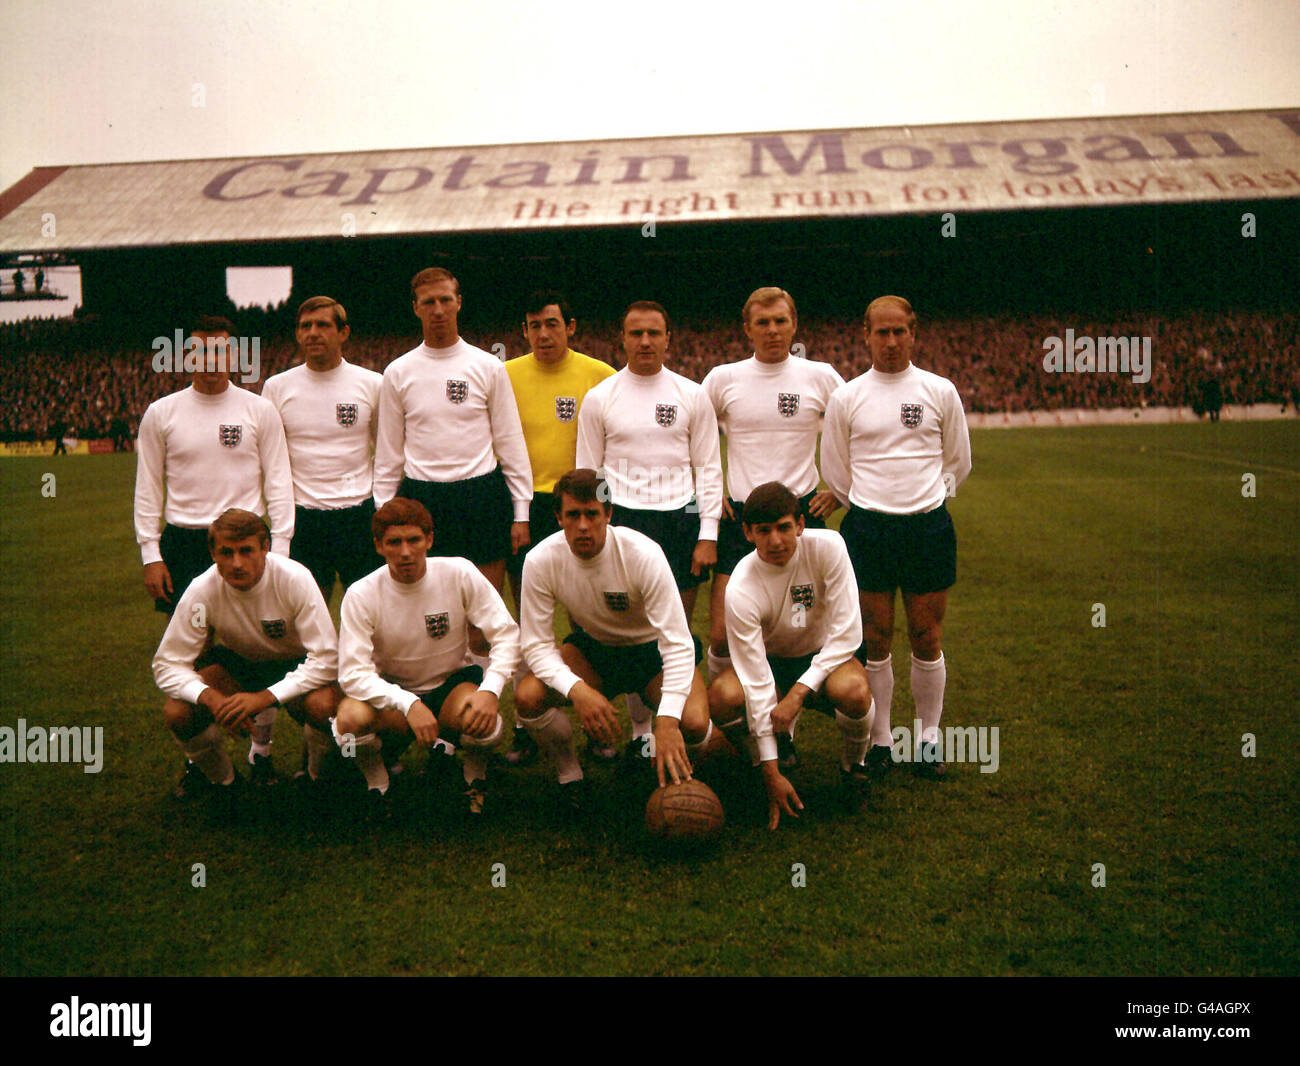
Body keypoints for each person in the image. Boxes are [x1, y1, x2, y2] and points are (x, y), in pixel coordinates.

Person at [135, 314, 295, 791]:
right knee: (193, 661)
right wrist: (150, 553)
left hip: (248, 542)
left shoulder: (257, 409)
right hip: (185, 543)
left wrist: (280, 549)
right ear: (186, 357)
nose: (211, 362)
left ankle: (260, 754)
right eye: (201, 352)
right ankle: (202, 762)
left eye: (221, 352)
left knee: (258, 648)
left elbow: (279, 480)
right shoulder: (161, 413)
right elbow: (148, 488)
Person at [820, 295, 971, 778]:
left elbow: (958, 462)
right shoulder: (848, 396)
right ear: (865, 335)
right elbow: (835, 470)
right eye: (880, 332)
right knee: (876, 636)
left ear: (913, 332)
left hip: (927, 526)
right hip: (869, 527)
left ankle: (928, 740)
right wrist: (871, 502)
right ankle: (882, 740)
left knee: (927, 635)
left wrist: (925, 500)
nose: (890, 341)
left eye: (898, 331)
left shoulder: (939, 390)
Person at [514, 468, 716, 807]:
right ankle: (570, 777)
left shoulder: (643, 553)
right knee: (528, 697)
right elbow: (535, 644)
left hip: (652, 653)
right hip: (595, 651)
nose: (582, 525)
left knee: (693, 722)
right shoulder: (540, 560)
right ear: (557, 517)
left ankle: (708, 770)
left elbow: (678, 643)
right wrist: (577, 691)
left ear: (608, 513)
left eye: (591, 514)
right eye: (572, 515)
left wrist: (666, 722)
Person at [702, 286, 844, 768]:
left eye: (781, 321)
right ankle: (724, 731)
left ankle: (785, 733)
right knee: (722, 634)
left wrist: (841, 489)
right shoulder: (723, 379)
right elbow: (695, 435)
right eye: (762, 323)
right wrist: (710, 490)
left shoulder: (820, 376)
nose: (773, 330)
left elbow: (854, 429)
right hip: (742, 516)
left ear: (795, 324)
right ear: (747, 329)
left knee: (802, 626)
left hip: (800, 513)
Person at [575, 301, 722, 760]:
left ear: (668, 338)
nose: (644, 341)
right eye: (635, 333)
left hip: (677, 522)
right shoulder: (602, 397)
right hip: (621, 522)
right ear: (622, 338)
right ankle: (639, 729)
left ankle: (667, 722)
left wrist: (708, 533)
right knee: (623, 625)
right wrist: (590, 525)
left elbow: (708, 467)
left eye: (653, 333)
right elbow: (587, 471)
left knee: (669, 628)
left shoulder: (691, 394)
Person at [335, 498, 520, 818]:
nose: (405, 552)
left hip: (451, 687)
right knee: (348, 720)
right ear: (379, 546)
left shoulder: (459, 571)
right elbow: (352, 673)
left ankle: (474, 780)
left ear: (429, 540)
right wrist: (409, 703)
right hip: (394, 695)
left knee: (485, 721)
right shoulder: (361, 593)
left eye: (414, 540)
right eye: (394, 542)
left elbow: (506, 633)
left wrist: (490, 690)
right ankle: (378, 786)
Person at [152, 510, 340, 819]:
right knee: (179, 712)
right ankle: (226, 785)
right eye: (226, 552)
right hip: (239, 666)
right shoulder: (202, 590)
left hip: (294, 665)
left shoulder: (294, 578)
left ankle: (318, 780)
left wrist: (265, 697)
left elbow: (327, 658)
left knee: (324, 706)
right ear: (213, 553)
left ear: (265, 547)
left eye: (246, 551)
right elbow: (167, 664)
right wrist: (210, 698)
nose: (237, 563)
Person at [709, 482, 873, 830]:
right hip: (771, 665)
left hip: (826, 657)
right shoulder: (740, 586)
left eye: (784, 527)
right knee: (723, 697)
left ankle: (853, 767)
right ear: (747, 532)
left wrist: (799, 693)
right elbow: (755, 680)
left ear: (800, 524)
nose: (776, 540)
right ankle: (764, 762)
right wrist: (770, 773)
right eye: (763, 531)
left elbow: (848, 634)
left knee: (855, 692)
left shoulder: (829, 547)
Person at [500, 290, 616, 767]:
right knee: (530, 620)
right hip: (525, 506)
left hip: (582, 507)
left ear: (572, 326)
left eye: (551, 323)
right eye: (533, 325)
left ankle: (603, 728)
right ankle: (530, 724)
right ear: (524, 331)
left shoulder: (599, 375)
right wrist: (518, 512)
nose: (542, 333)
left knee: (592, 620)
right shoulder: (504, 376)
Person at [372, 268, 532, 598]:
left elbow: (511, 444)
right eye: (429, 302)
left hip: (481, 495)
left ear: (459, 302)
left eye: (445, 300)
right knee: (433, 611)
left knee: (485, 611)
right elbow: (388, 454)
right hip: (422, 497)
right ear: (415, 307)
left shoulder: (488, 366)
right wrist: (384, 513)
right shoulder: (398, 372)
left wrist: (521, 514)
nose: (439, 309)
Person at [261, 296, 382, 601]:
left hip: (360, 514)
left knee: (372, 611)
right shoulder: (277, 387)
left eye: (323, 325)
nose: (313, 332)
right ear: (298, 334)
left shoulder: (371, 384)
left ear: (343, 332)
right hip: (304, 517)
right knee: (307, 615)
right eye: (305, 326)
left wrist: (381, 506)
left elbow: (386, 452)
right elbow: (271, 462)